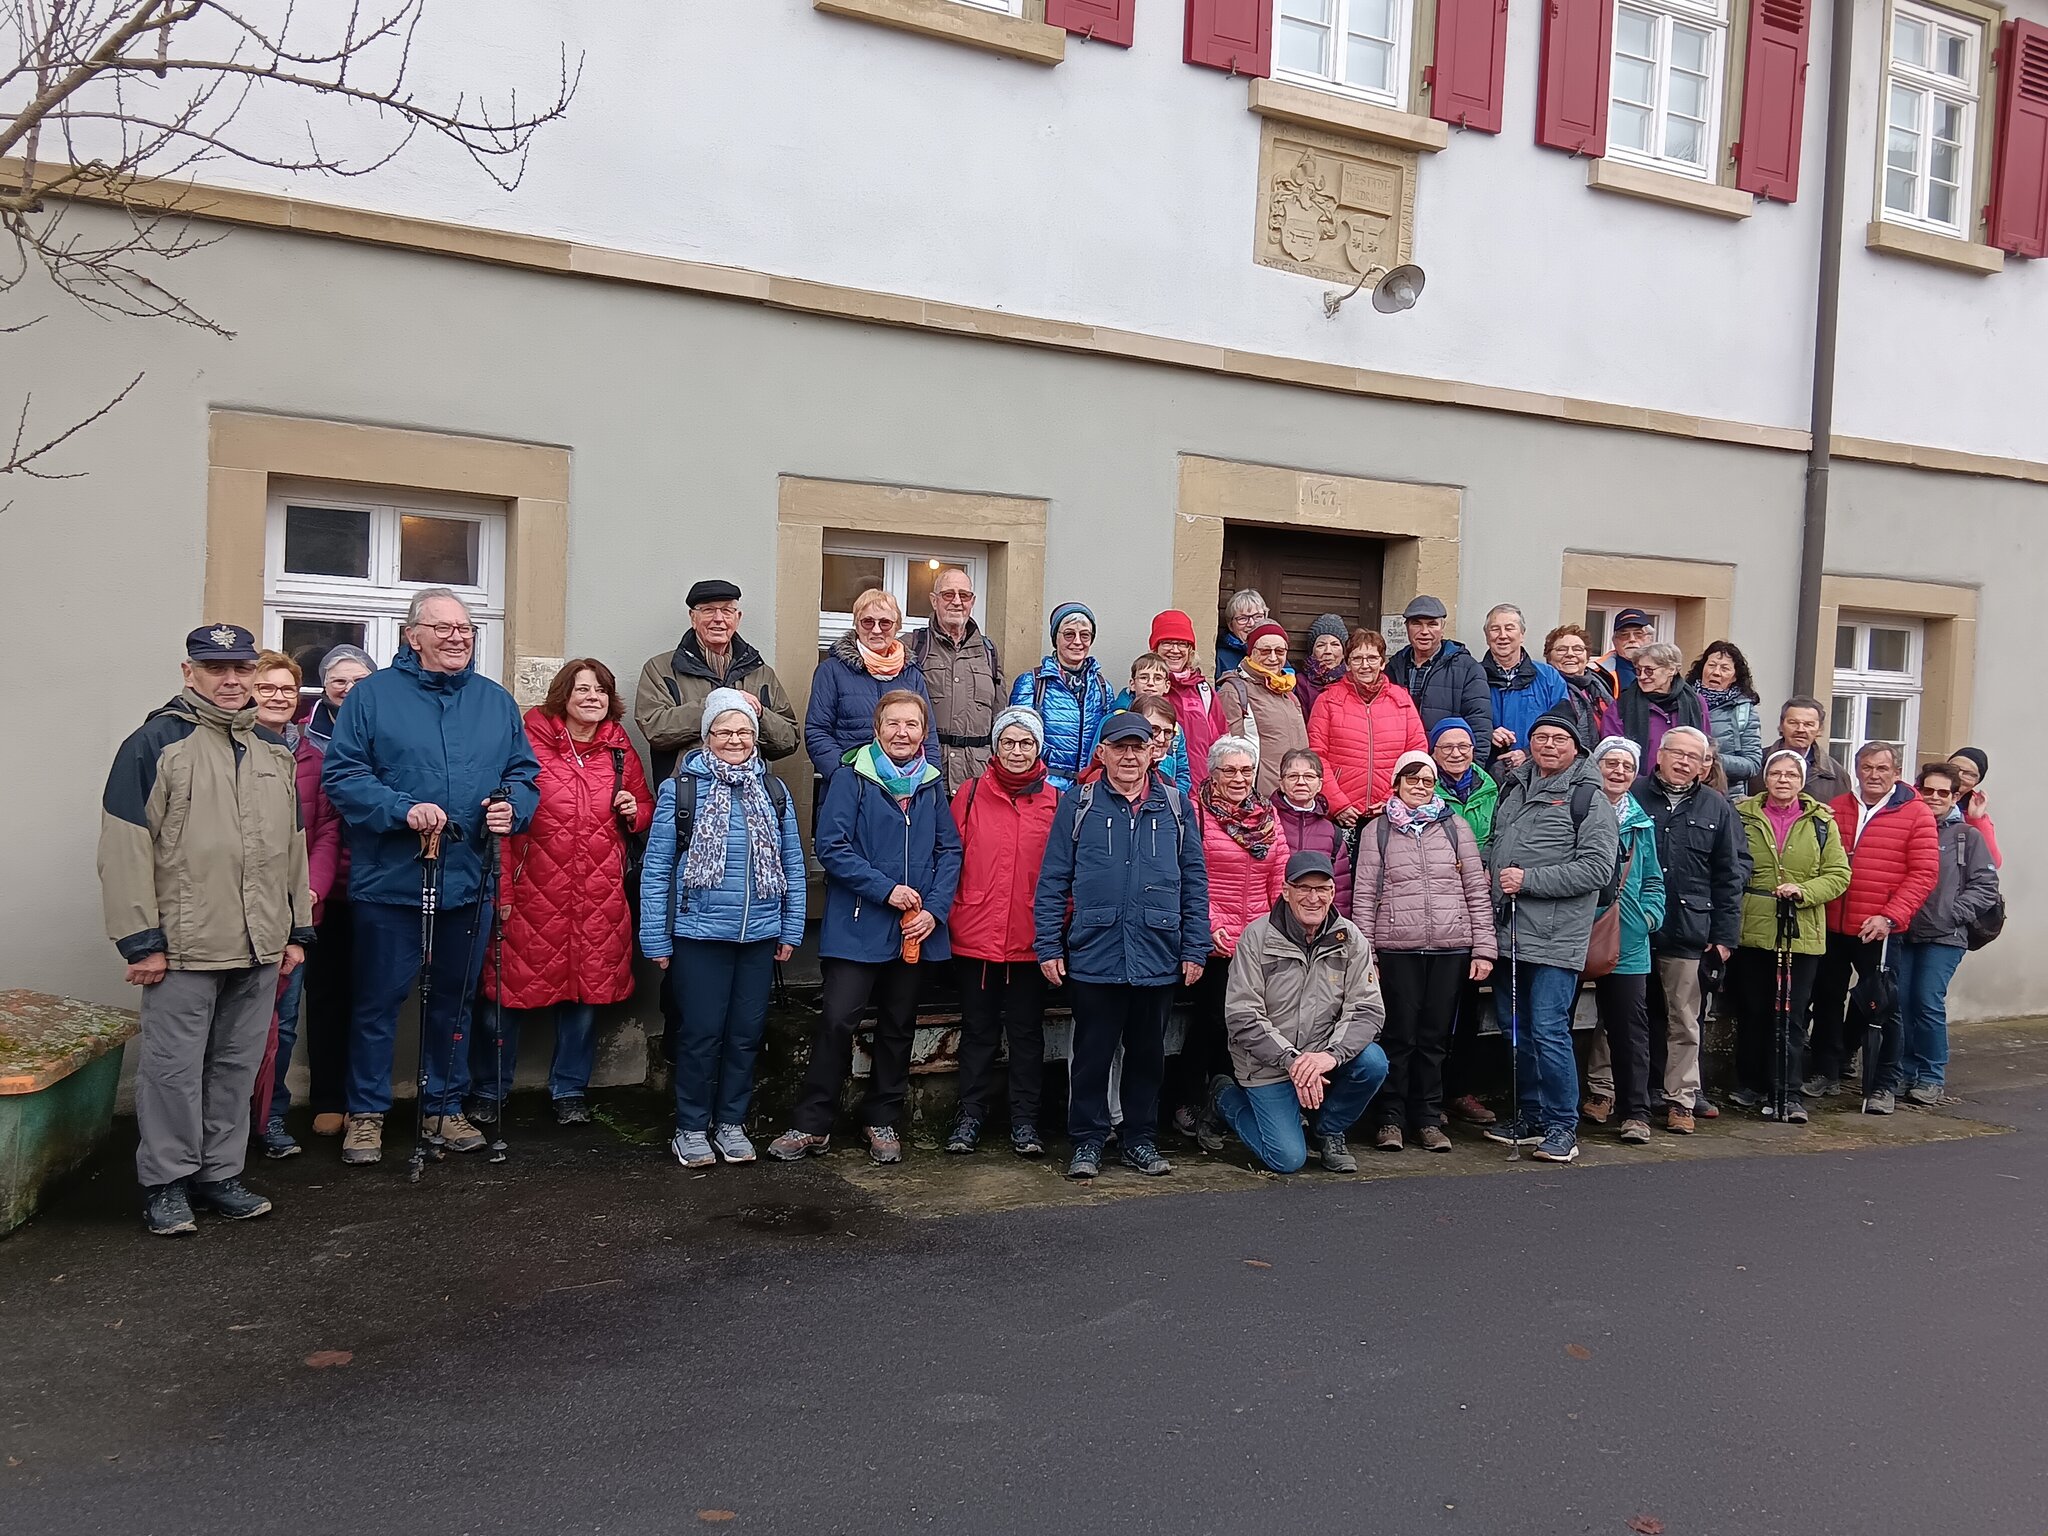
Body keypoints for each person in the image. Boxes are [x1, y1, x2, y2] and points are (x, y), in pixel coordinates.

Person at [99, 624, 316, 1234]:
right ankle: (165, 1181)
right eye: (216, 668)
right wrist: (141, 941)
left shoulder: (274, 752)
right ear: (188, 671)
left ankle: (218, 1173)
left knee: (235, 1065)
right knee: (172, 1069)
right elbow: (125, 846)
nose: (231, 680)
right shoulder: (154, 744)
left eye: (240, 669)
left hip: (260, 943)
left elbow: (292, 851)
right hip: (184, 946)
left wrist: (297, 931)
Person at [322, 588, 540, 1167]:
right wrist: (400, 809)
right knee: (376, 1002)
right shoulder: (371, 698)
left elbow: (523, 774)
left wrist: (511, 808)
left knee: (456, 1000)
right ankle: (366, 1113)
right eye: (442, 627)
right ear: (411, 635)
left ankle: (444, 1105)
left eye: (465, 628)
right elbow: (342, 776)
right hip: (391, 880)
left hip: (468, 881)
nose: (456, 637)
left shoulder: (494, 702)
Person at [772, 691, 962, 1165]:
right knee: (837, 1022)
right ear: (876, 728)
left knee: (898, 1027)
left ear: (924, 733)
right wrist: (887, 891)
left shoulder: (931, 784)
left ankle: (883, 1120)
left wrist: (933, 911)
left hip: (914, 930)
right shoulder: (850, 777)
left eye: (912, 725)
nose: (902, 733)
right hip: (858, 926)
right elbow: (832, 848)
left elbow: (950, 852)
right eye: (893, 724)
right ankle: (812, 1124)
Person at [473, 660, 652, 1128]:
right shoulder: (528, 743)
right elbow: (504, 825)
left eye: (600, 690)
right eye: (581, 689)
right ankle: (490, 1090)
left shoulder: (618, 748)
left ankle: (569, 1090)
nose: (591, 697)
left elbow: (646, 806)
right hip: (534, 892)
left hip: (598, 892)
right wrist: (503, 890)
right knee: (504, 996)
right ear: (563, 695)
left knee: (584, 996)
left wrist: (635, 810)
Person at [1035, 712, 1208, 1180]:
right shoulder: (1080, 803)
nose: (1130, 756)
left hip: (1157, 950)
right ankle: (1087, 1142)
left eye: (1138, 747)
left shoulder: (1175, 804)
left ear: (1154, 752)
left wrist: (1195, 947)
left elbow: (1194, 877)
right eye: (1120, 747)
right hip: (1096, 949)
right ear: (1103, 753)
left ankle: (1140, 1140)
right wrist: (1048, 945)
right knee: (1092, 1056)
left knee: (1148, 1056)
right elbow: (1053, 880)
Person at [640, 689, 806, 1168]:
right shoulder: (682, 790)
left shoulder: (773, 792)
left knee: (745, 1034)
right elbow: (657, 869)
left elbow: (792, 863)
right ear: (707, 736)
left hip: (758, 936)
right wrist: (656, 935)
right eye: (724, 731)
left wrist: (790, 927)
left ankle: (730, 1123)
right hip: (698, 935)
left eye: (743, 732)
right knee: (701, 1035)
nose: (734, 740)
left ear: (755, 739)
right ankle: (691, 1128)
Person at [1589, 726, 1748, 1135]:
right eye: (1676, 753)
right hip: (1625, 928)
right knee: (1619, 1015)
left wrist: (1725, 936)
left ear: (1703, 765)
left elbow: (1730, 875)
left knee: (1684, 1019)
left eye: (1693, 757)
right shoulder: (1634, 794)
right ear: (1659, 755)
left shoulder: (1717, 807)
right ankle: (1603, 1092)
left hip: (1689, 926)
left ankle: (1681, 1100)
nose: (1683, 762)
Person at [1482, 711, 1620, 1164]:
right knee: (1515, 1029)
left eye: (1559, 738)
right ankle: (1531, 1114)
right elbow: (1498, 844)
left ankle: (1563, 1125)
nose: (1548, 745)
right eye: (1540, 737)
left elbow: (1599, 870)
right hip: (1511, 931)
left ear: (1576, 746)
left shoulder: (1589, 798)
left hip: (1558, 937)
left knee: (1547, 1029)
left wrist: (1530, 880)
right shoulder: (1514, 784)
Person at [1205, 851, 1389, 1173]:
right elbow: (1241, 1017)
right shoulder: (1256, 937)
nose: (1313, 898)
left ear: (1333, 893)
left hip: (1322, 1056)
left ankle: (1328, 1130)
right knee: (1287, 1160)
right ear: (1285, 891)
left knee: (1374, 1062)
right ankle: (1223, 1098)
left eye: (1322, 889)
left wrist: (1329, 1056)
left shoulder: (1352, 939)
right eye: (1303, 888)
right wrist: (1293, 1061)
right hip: (1267, 1064)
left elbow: (1368, 1009)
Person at [1350, 753, 1496, 1152]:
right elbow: (1364, 895)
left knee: (1434, 1039)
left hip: (1451, 948)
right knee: (1398, 1037)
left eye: (1427, 780)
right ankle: (1390, 1118)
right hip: (1398, 947)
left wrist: (1483, 947)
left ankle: (1428, 1119)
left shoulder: (1456, 828)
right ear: (1396, 783)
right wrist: (1368, 954)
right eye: (1411, 779)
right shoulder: (1377, 830)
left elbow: (1476, 893)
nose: (1419, 786)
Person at [944, 706, 1059, 1157]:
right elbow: (949, 860)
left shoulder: (1056, 801)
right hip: (974, 936)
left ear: (1038, 748)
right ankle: (970, 1117)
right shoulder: (970, 795)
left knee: (1028, 1035)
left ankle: (1026, 1122)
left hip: (1031, 940)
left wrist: (1056, 928)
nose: (1016, 751)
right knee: (978, 1032)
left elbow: (1063, 875)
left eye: (1026, 743)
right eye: (1008, 742)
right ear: (995, 746)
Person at [1805, 741, 1939, 1113]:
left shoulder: (1916, 814)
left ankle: (1883, 1084)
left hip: (1878, 927)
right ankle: (1825, 1070)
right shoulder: (1836, 809)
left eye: (1882, 769)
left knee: (1882, 1006)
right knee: (1827, 999)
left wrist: (1890, 916)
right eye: (1867, 768)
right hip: (1831, 923)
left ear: (1896, 773)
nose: (1874, 775)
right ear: (1857, 769)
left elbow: (1924, 874)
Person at [249, 651, 340, 1161]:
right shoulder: (232, 750)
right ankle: (219, 1125)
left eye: (287, 689)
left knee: (282, 1023)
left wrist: (314, 888)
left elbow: (327, 830)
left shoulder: (312, 756)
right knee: (237, 1025)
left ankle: (271, 1117)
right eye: (268, 688)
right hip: (239, 911)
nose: (279, 697)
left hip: (296, 913)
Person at [1180, 736, 1290, 1142]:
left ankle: (1233, 1102)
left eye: (1246, 770)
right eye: (1229, 770)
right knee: (1211, 1022)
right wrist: (1209, 926)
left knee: (1249, 1026)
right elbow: (1188, 873)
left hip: (1258, 938)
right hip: (1215, 937)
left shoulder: (1267, 815)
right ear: (1213, 771)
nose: (1239, 778)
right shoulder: (1195, 812)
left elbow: (1280, 872)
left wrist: (1277, 927)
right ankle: (1191, 1101)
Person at [1729, 750, 1850, 1120]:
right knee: (1753, 1011)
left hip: (1800, 930)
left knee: (1791, 1014)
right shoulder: (1742, 815)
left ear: (1801, 781)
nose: (1783, 780)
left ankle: (1787, 1091)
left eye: (1791, 775)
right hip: (1753, 927)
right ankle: (1750, 1083)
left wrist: (1804, 891)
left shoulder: (1820, 821)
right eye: (1776, 773)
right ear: (1765, 779)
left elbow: (1839, 874)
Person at [298, 645, 375, 1137]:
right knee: (325, 994)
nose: (348, 689)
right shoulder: (303, 739)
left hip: (378, 881)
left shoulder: (385, 731)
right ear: (323, 686)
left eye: (358, 680)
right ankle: (328, 1094)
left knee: (374, 996)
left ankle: (365, 1099)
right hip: (325, 889)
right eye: (338, 680)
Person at [1897, 762, 2001, 1107]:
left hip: (1944, 936)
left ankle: (1930, 1075)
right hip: (1903, 930)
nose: (1935, 797)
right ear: (1918, 789)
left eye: (1944, 792)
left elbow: (1986, 886)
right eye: (1929, 790)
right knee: (1901, 1002)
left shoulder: (1965, 836)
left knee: (1926, 1001)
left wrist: (1952, 914)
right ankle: (1904, 1070)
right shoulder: (1905, 826)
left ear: (1955, 796)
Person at [1582, 737, 1667, 1145]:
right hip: (1573, 932)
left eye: (1627, 766)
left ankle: (1636, 1112)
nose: (1618, 772)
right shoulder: (1578, 809)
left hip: (1629, 937)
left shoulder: (1641, 822)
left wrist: (1650, 915)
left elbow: (1653, 879)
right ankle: (1560, 1108)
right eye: (1610, 763)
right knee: (1555, 1023)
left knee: (1630, 1029)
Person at [635, 580, 800, 783]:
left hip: (749, 795)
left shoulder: (762, 673)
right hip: (686, 794)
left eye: (727, 610)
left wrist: (759, 714)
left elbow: (789, 741)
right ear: (693, 618)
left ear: (737, 618)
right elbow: (655, 729)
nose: (719, 619)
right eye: (708, 610)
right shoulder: (659, 669)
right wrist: (716, 703)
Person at [1430, 716, 1500, 1127]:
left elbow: (1498, 837)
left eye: (1464, 746)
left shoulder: (1492, 789)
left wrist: (1484, 866)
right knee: (1435, 1011)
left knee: (1469, 1006)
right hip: (1434, 909)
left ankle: (1460, 1090)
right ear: (1434, 752)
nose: (1456, 754)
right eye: (1447, 747)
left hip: (1476, 905)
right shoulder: (1423, 786)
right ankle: (1431, 1093)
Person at [806, 588, 936, 785]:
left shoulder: (912, 674)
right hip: (851, 785)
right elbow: (817, 731)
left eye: (885, 623)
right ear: (856, 625)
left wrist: (929, 779)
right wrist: (843, 773)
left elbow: (928, 733)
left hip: (903, 785)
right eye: (868, 622)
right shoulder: (831, 671)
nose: (876, 630)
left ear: (897, 627)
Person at [1307, 627, 1427, 827]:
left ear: (1382, 663)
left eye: (1371, 658)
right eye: (1357, 659)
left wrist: (1393, 798)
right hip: (1342, 813)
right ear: (1347, 664)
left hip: (1390, 811)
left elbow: (1415, 753)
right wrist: (1338, 804)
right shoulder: (1327, 700)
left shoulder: (1401, 700)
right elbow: (1317, 756)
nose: (1365, 665)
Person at [911, 565, 1003, 796]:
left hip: (977, 776)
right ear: (934, 600)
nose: (957, 601)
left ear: (972, 601)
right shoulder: (913, 646)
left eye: (964, 595)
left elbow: (1000, 718)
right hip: (928, 772)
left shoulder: (989, 651)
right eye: (948, 594)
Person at [1010, 602, 1114, 790]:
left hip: (1090, 789)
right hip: (1043, 787)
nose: (1077, 642)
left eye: (1085, 635)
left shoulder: (1103, 687)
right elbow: (1018, 737)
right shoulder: (1032, 682)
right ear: (1055, 638)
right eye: (1068, 634)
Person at [1385, 595, 1494, 757]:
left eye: (1432, 624)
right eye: (1417, 624)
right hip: (1401, 763)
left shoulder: (1468, 669)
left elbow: (1479, 725)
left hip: (1448, 765)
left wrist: (1472, 771)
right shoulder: (1394, 667)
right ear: (1407, 627)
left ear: (1442, 628)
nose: (1424, 632)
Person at [1217, 621, 1311, 799]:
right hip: (1260, 797)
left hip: (1292, 798)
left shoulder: (1288, 692)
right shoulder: (1234, 690)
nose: (1273, 658)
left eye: (1280, 652)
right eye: (1265, 651)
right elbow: (1231, 751)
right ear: (1251, 653)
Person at [1480, 604, 1569, 775]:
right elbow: (1462, 720)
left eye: (1509, 628)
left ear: (1522, 635)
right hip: (1487, 774)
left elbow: (1562, 725)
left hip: (1538, 774)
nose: (1502, 635)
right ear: (1486, 636)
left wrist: (1528, 753)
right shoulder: (1473, 676)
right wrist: (1486, 732)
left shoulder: (1548, 677)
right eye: (1495, 629)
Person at [1270, 748, 1352, 919]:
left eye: (1309, 776)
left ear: (1320, 784)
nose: (1301, 782)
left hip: (1317, 922)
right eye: (1293, 776)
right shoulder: (1266, 822)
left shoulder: (1332, 832)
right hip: (1272, 919)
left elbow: (1341, 890)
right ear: (1281, 783)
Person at [1144, 610, 1223, 779]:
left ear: (1190, 650)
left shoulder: (1203, 691)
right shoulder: (1146, 688)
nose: (1175, 650)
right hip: (1159, 791)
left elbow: (1220, 743)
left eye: (1182, 643)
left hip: (1200, 790)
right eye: (1167, 643)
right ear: (1155, 648)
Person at [1615, 643, 1708, 768]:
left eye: (1649, 670)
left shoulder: (1695, 703)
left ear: (1671, 670)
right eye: (1638, 670)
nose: (1642, 676)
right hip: (1637, 784)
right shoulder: (1622, 704)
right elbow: (1613, 751)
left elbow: (1705, 746)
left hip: (1683, 779)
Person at [1687, 640, 1765, 789]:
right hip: (1681, 788)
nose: (1716, 672)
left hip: (1725, 794)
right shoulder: (1683, 700)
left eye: (1725, 668)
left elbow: (1753, 764)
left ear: (1735, 677)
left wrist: (1712, 760)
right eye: (1711, 665)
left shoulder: (1743, 710)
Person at [1749, 696, 1849, 805]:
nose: (1800, 730)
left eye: (1808, 724)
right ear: (1782, 725)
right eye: (1793, 723)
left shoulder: (1835, 775)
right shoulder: (1756, 763)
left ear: (1820, 729)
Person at [1544, 623, 1622, 756]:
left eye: (1577, 649)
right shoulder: (1546, 687)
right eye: (1561, 649)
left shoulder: (1602, 683)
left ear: (1587, 657)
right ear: (1549, 657)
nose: (1570, 654)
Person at [303, 644, 374, 749]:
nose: (350, 689)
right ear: (325, 687)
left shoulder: (393, 727)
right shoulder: (303, 733)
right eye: (339, 681)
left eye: (360, 681)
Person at [1944, 747, 2001, 866]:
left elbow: (1992, 861)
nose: (1958, 776)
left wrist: (1976, 819)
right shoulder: (1919, 796)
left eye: (1969, 774)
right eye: (1954, 768)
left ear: (1977, 782)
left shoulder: (1971, 807)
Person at [1131, 689, 1193, 795]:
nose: (1161, 739)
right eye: (1154, 729)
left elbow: (1183, 774)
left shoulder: (1168, 783)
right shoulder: (1117, 772)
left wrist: (1175, 800)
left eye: (1168, 732)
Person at [1296, 613, 1350, 721]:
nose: (1328, 651)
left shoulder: (1353, 681)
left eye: (1335, 645)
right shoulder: (1299, 683)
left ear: (1344, 652)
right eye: (1321, 645)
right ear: (1312, 652)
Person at [1596, 608, 1657, 696]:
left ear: (1650, 639)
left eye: (1638, 634)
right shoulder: (1599, 675)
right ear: (1614, 641)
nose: (1632, 639)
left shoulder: (1665, 671)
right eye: (1624, 635)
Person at [1216, 588, 1269, 676]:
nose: (1251, 624)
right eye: (1243, 618)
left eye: (1258, 617)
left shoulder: (1275, 651)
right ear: (1231, 625)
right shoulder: (1220, 657)